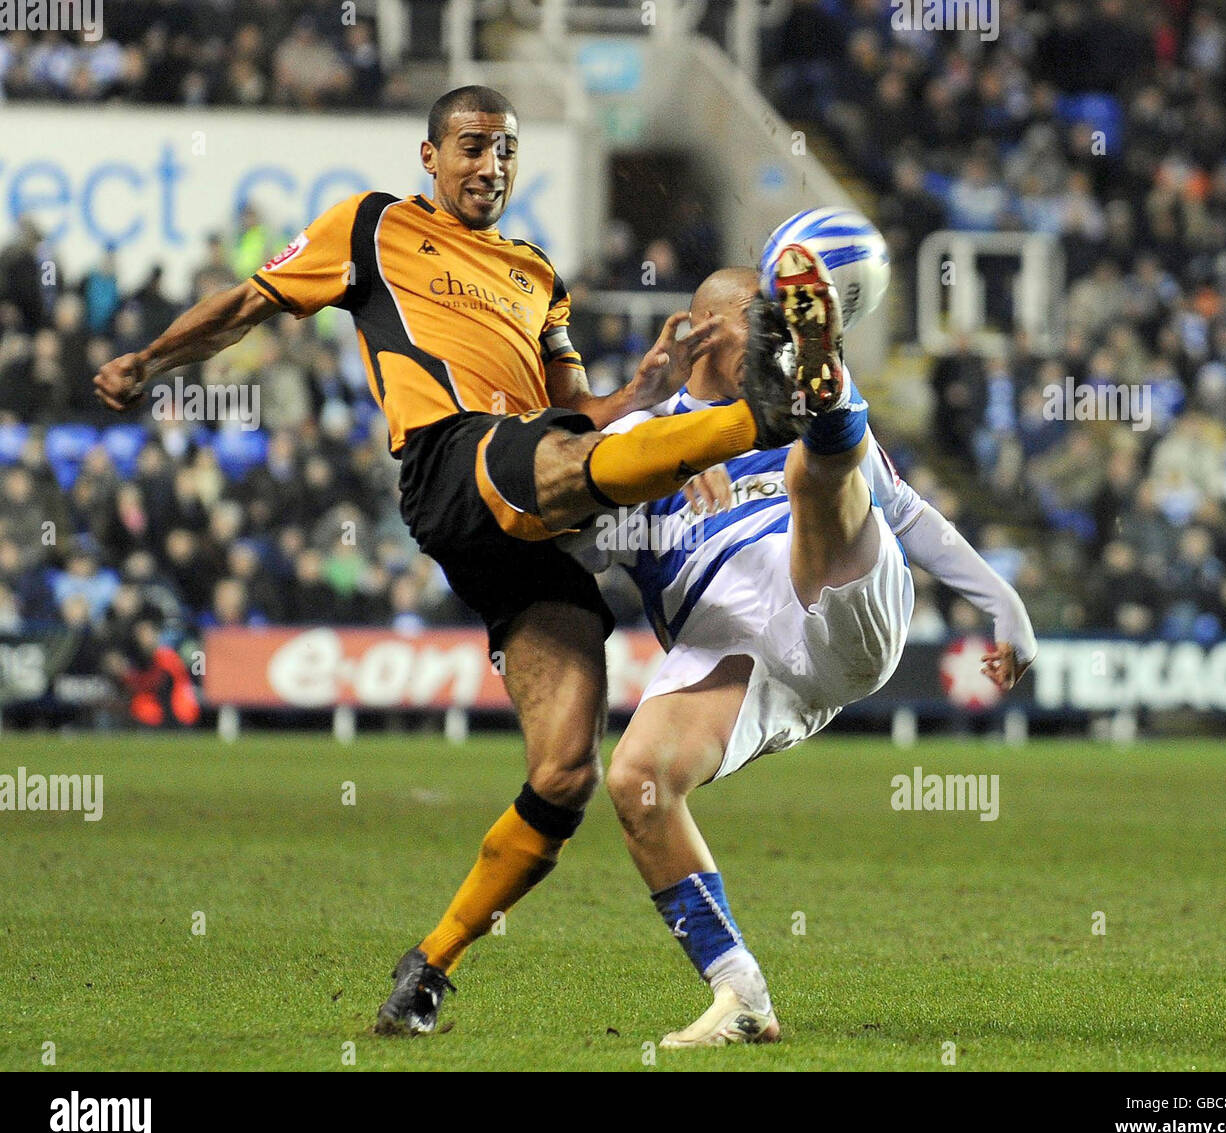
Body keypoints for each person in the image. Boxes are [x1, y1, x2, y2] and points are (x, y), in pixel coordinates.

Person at [92, 86, 809, 1036]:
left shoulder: (537, 275)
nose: (492, 166)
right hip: (452, 461)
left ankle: (428, 967)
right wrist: (149, 360)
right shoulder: (372, 227)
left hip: (533, 496)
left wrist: (650, 389)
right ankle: (766, 419)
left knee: (564, 775)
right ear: (430, 156)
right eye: (473, 146)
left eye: (507, 151)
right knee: (552, 460)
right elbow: (247, 305)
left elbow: (583, 419)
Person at [567, 253, 1038, 1046]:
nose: (780, 331)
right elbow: (570, 546)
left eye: (797, 321)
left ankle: (831, 410)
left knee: (812, 463)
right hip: (735, 646)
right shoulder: (636, 436)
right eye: (771, 316)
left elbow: (907, 510)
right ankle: (740, 992)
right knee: (638, 779)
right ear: (707, 330)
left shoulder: (780, 409)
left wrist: (1003, 602)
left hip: (841, 587)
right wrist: (654, 469)